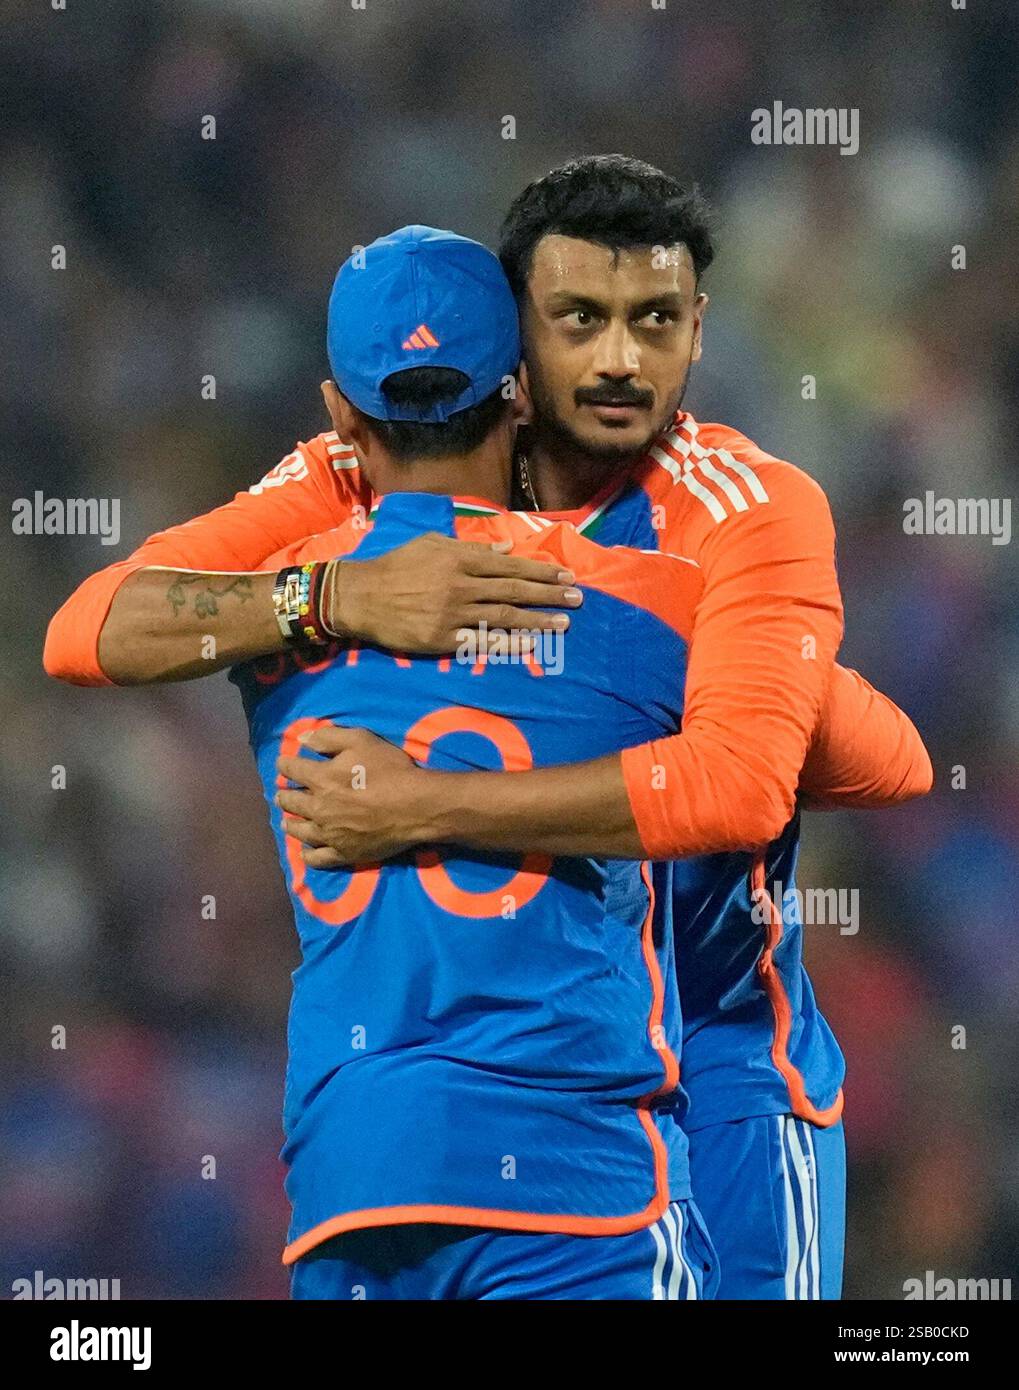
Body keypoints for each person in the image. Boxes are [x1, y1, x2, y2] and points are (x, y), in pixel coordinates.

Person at [44, 159, 933, 1298]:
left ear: (698, 330)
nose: (617, 359)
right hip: (563, 1106)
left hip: (724, 1061)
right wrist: (327, 598)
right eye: (579, 320)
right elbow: (86, 625)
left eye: (652, 321)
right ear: (517, 348)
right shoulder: (346, 483)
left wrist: (752, 653)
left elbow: (826, 770)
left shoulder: (734, 509)